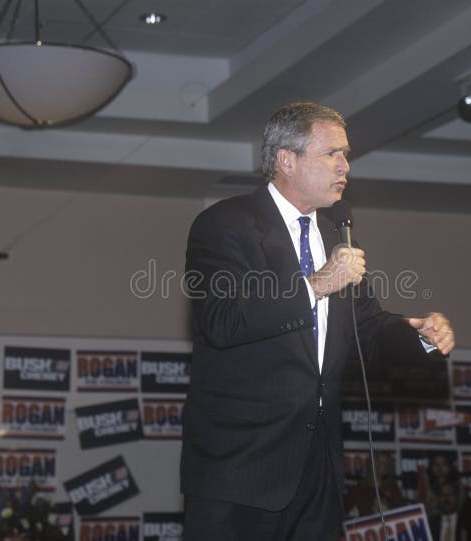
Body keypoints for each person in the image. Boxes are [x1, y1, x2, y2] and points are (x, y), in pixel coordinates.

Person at [180, 102, 455, 541]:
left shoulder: (337, 237)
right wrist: (316, 285)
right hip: (240, 472)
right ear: (287, 160)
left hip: (319, 470)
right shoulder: (225, 225)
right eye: (332, 153)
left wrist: (417, 335)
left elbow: (366, 328)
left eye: (346, 155)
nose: (345, 166)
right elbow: (223, 320)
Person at [344, 451, 405, 517]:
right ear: (370, 463)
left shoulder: (392, 488)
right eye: (378, 461)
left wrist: (388, 510)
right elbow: (345, 512)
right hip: (366, 526)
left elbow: (401, 513)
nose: (381, 465)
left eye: (384, 462)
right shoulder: (358, 489)